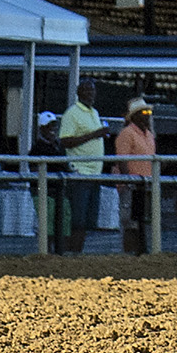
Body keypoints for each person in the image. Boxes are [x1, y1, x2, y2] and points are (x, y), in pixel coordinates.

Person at [56, 78, 108, 253]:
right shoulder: (71, 113)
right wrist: (95, 134)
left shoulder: (95, 112)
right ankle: (68, 253)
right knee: (77, 219)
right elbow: (65, 141)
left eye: (92, 90)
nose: (90, 94)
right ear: (78, 93)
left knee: (87, 220)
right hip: (80, 172)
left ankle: (78, 253)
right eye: (86, 90)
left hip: (95, 173)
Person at [114, 96, 157, 255]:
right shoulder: (127, 133)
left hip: (146, 184)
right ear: (135, 115)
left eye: (148, 111)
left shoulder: (149, 135)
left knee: (142, 222)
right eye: (144, 111)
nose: (147, 114)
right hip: (132, 185)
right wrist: (128, 181)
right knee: (130, 223)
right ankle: (129, 254)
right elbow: (122, 159)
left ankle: (141, 253)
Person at [33, 111, 73, 250]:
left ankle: (61, 254)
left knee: (64, 223)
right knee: (47, 226)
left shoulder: (59, 147)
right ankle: (47, 253)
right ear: (41, 128)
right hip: (45, 194)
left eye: (54, 126)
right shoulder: (37, 149)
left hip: (61, 192)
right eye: (48, 126)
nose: (52, 129)